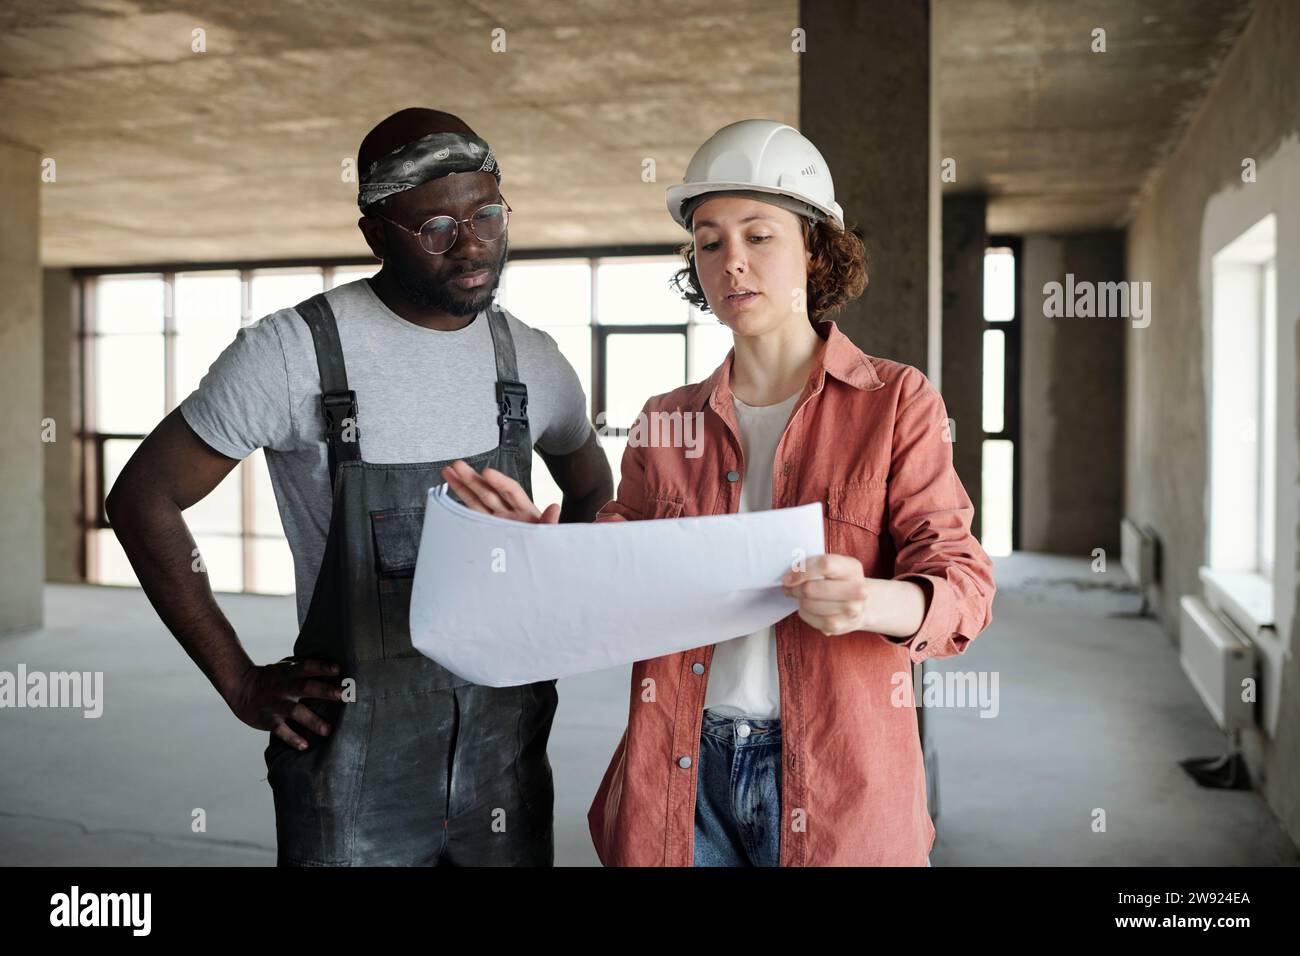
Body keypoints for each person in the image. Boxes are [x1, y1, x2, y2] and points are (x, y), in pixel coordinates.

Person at [444, 118, 996, 866]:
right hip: (681, 770)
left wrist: (873, 600)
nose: (731, 262)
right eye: (709, 242)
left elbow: (962, 584)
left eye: (758, 236)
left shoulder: (896, 402)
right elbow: (621, 576)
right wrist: (543, 552)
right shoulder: (666, 421)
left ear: (815, 249)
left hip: (837, 777)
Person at [105, 108, 612, 866]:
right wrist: (239, 680)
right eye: (435, 228)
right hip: (352, 760)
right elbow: (142, 498)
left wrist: (552, 605)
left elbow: (592, 489)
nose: (472, 246)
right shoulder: (292, 352)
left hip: (503, 753)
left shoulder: (532, 361)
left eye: (488, 216)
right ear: (376, 233)